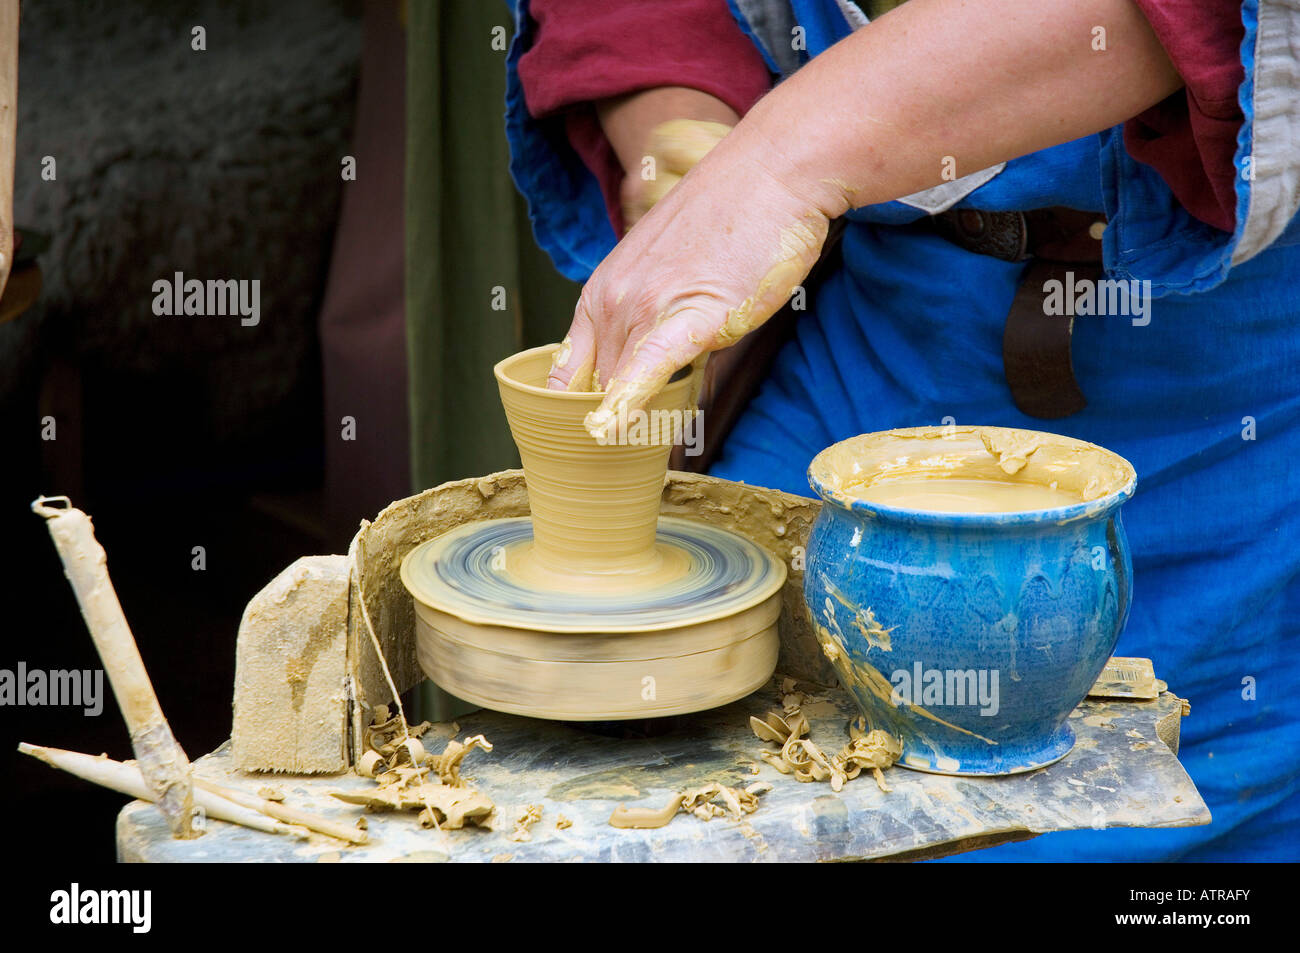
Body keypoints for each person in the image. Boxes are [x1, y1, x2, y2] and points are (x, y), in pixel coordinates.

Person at [505, 0, 1300, 860]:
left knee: (1149, 802)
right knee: (692, 760)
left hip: (1218, 388)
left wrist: (773, 167)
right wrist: (688, 151)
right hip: (874, 327)